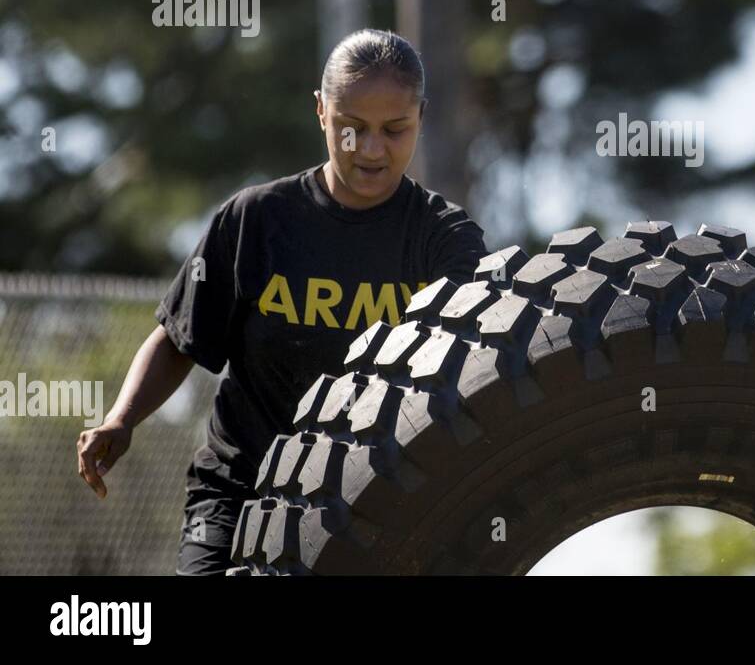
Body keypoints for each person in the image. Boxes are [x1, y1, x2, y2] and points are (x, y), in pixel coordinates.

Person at [75, 29, 488, 574]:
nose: (370, 149)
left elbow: (478, 374)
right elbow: (181, 339)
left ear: (421, 117)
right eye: (351, 128)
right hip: (242, 485)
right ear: (321, 112)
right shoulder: (256, 220)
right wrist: (121, 420)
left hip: (383, 493)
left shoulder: (445, 241)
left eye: (394, 130)